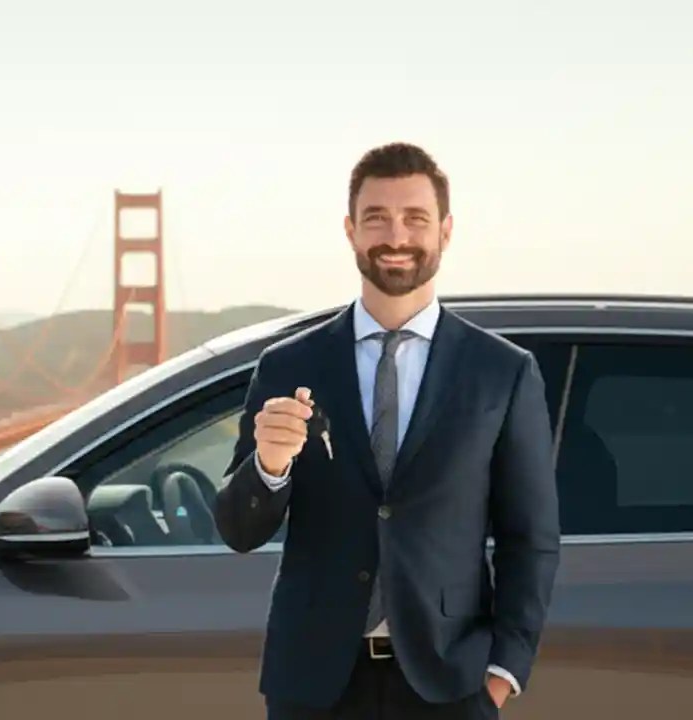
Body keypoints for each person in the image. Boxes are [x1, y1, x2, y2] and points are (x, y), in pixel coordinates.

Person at [214, 142, 560, 719]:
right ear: (350, 230)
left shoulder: (503, 372)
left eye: (415, 219)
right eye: (376, 218)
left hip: (451, 684)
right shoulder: (288, 366)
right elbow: (238, 529)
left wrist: (503, 672)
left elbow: (531, 538)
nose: (395, 236)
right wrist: (269, 466)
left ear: (445, 232)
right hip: (313, 686)